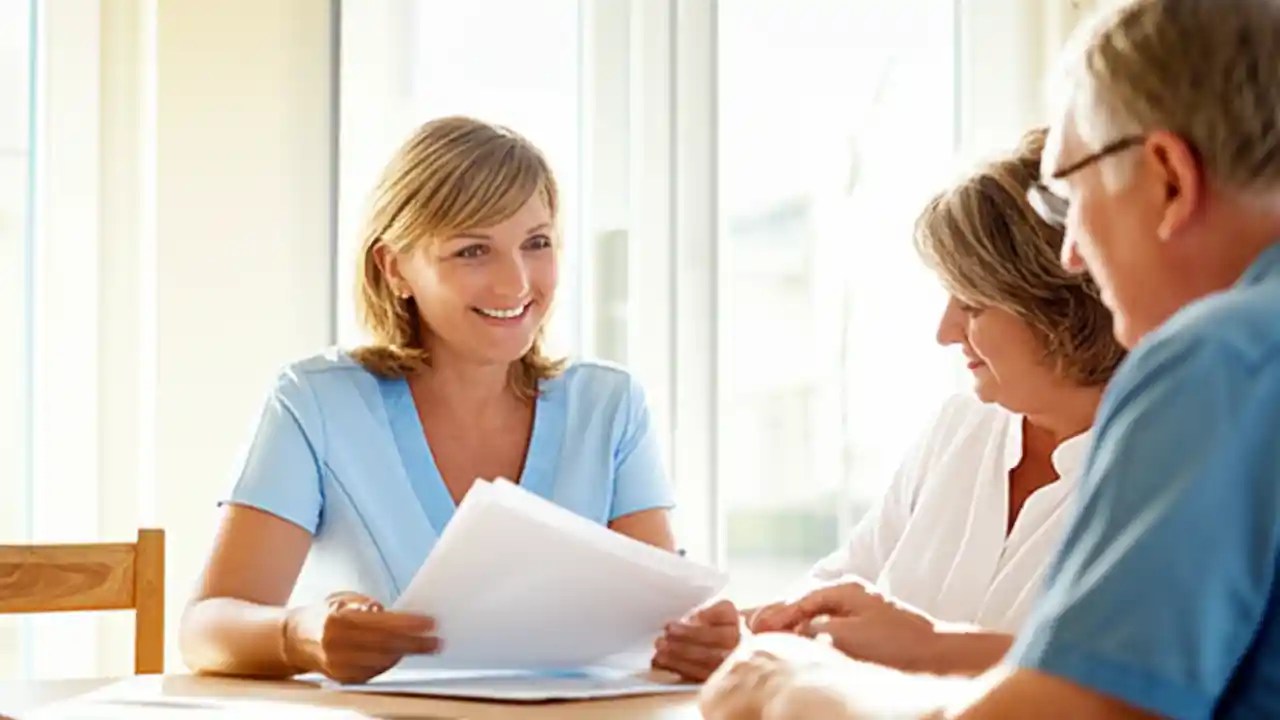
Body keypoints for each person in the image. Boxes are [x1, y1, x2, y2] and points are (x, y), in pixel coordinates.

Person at [700, 0, 1280, 717]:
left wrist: (795, 690)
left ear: (1167, 178)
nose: (1074, 255)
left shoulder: (1225, 360)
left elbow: (1073, 714)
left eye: (1069, 197)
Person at [180, 116, 677, 684]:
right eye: (472, 251)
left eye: (536, 243)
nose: (516, 282)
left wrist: (704, 639)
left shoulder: (610, 406)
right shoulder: (315, 402)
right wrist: (301, 636)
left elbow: (661, 625)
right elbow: (206, 628)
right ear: (395, 269)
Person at [653, 128, 1125, 682]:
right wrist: (744, 633)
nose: (946, 333)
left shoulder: (1172, 467)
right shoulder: (962, 426)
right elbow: (843, 588)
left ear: (1062, 308)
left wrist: (929, 648)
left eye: (972, 305)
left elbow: (1147, 681)